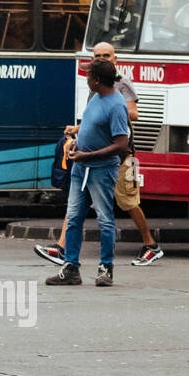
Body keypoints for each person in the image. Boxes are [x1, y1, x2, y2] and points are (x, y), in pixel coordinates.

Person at [34, 42, 163, 267]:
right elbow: (92, 119)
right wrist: (77, 132)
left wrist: (113, 104)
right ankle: (61, 249)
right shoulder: (95, 88)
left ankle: (149, 245)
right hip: (91, 158)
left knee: (128, 203)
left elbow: (133, 113)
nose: (101, 59)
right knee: (76, 205)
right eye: (97, 56)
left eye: (106, 55)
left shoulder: (120, 85)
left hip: (119, 158)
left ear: (115, 60)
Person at [45, 58, 128, 287]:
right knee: (73, 217)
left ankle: (106, 268)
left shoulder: (116, 105)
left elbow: (121, 145)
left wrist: (87, 156)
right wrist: (76, 145)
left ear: (98, 80)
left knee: (104, 218)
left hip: (101, 171)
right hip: (80, 168)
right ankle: (71, 267)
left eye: (89, 75)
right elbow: (90, 128)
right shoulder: (95, 98)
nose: (86, 77)